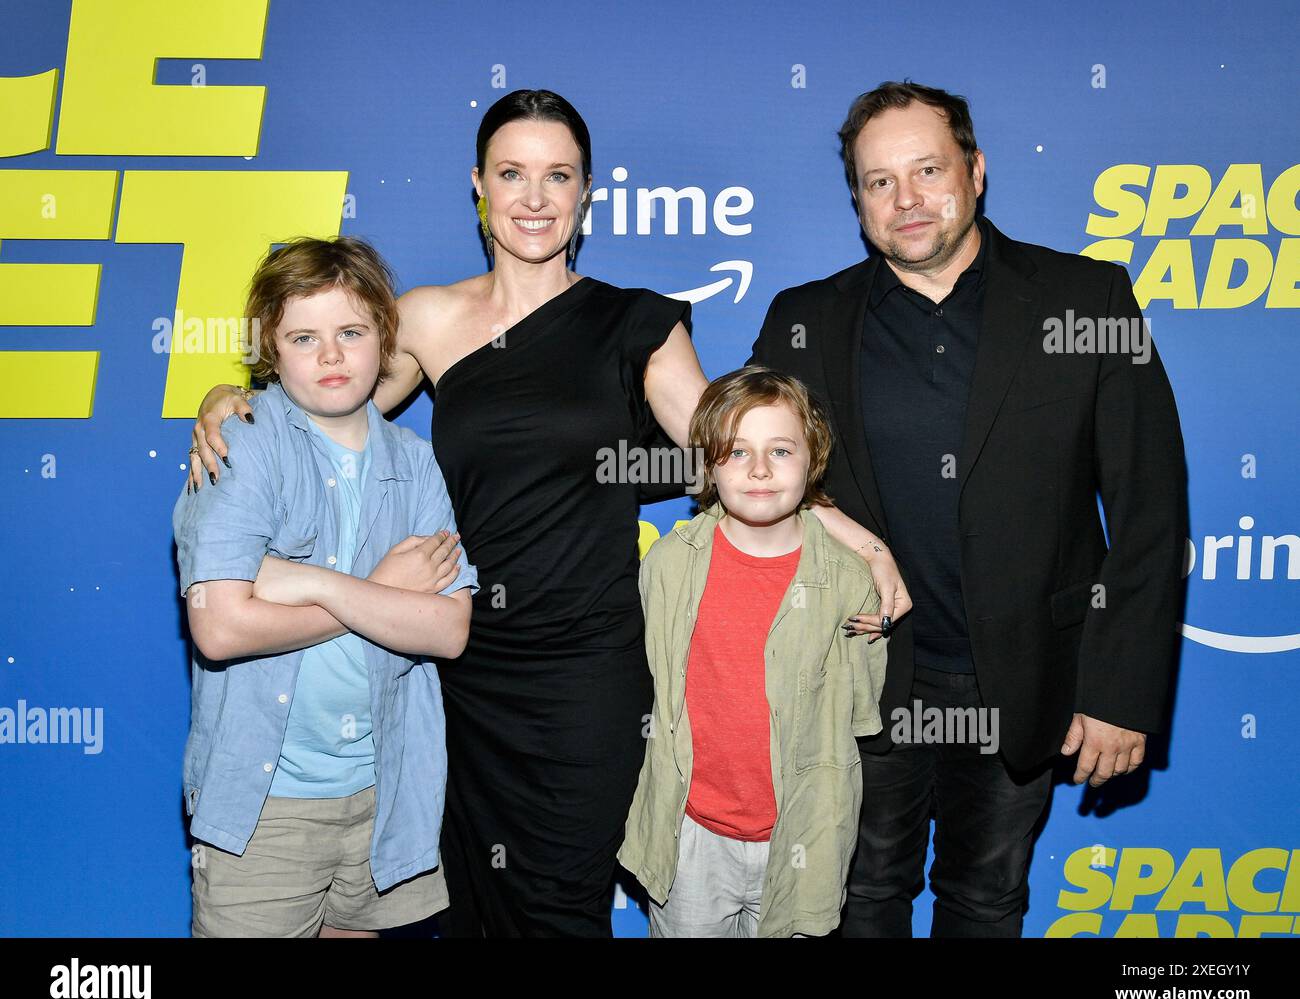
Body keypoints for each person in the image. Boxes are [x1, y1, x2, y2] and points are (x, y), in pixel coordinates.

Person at [187, 90, 910, 937]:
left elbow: (737, 451)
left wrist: (856, 537)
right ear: (479, 186)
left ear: (587, 193)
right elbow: (325, 395)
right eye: (513, 174)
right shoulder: (425, 317)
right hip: (451, 667)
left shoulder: (633, 321)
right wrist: (229, 395)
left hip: (585, 673)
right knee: (453, 909)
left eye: (557, 176)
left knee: (563, 909)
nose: (535, 197)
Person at [748, 81, 1188, 937]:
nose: (906, 199)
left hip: (1024, 683)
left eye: (927, 170)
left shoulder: (1085, 301)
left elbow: (1151, 509)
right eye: (879, 182)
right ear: (858, 201)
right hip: (860, 681)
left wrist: (1122, 691)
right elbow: (747, 475)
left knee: (985, 906)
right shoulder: (804, 319)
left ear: (976, 171)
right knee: (853, 904)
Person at [174, 236, 478, 937]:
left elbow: (448, 629)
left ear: (384, 337)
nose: (332, 355)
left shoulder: (415, 461)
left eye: (351, 332)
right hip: (265, 804)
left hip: (383, 795)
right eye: (304, 337)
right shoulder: (240, 443)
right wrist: (377, 590)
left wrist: (311, 584)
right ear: (271, 350)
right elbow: (220, 629)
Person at [619, 367, 888, 938]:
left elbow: (861, 706)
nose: (760, 469)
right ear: (708, 464)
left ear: (813, 461)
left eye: (780, 450)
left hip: (802, 828)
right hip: (689, 831)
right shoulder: (669, 563)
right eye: (737, 450)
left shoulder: (848, 582)